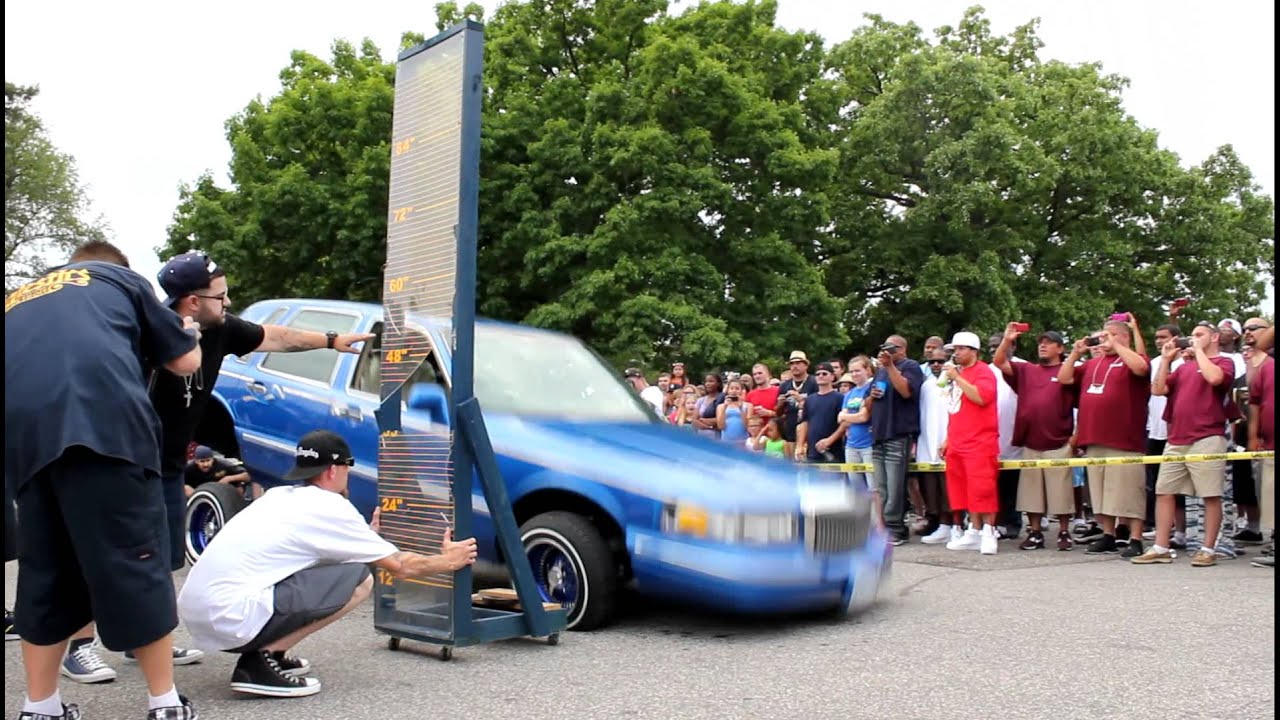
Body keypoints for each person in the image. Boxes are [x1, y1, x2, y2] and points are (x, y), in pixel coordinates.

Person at [5, 240, 203, 720]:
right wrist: (188, 333)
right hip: (104, 427)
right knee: (136, 564)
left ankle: (41, 708)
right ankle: (165, 704)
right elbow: (184, 363)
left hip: (26, 440)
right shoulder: (120, 279)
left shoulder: (18, 295)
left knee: (45, 573)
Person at [178, 430, 478, 698]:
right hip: (231, 618)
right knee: (361, 579)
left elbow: (319, 551)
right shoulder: (330, 506)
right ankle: (262, 659)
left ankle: (272, 653)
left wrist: (367, 537)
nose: (348, 473)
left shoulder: (279, 496)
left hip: (201, 614)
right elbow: (398, 565)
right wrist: (449, 560)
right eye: (348, 466)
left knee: (334, 570)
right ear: (334, 469)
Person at [1132, 322, 1236, 566]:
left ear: (1214, 337)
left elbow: (1215, 378)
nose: (1193, 339)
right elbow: (1157, 389)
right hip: (1177, 437)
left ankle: (1208, 549)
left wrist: (1198, 351)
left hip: (1208, 436)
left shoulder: (1223, 362)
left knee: (1210, 495)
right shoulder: (1183, 368)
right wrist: (1167, 360)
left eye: (1200, 335)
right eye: (1193, 335)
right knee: (1164, 491)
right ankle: (1161, 546)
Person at [938, 332, 1002, 555]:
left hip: (980, 441)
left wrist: (957, 378)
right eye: (954, 350)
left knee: (982, 487)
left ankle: (989, 531)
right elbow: (955, 408)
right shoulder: (960, 373)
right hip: (958, 440)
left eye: (960, 349)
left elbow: (981, 397)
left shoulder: (983, 372)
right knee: (963, 489)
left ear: (974, 350)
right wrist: (948, 438)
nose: (956, 353)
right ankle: (973, 531)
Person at [184, 445, 257, 500]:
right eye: (202, 461)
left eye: (208, 460)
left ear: (213, 459)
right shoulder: (189, 468)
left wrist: (228, 478)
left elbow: (248, 475)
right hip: (198, 494)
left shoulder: (223, 464)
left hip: (222, 493)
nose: (206, 464)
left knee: (238, 487)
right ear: (196, 461)